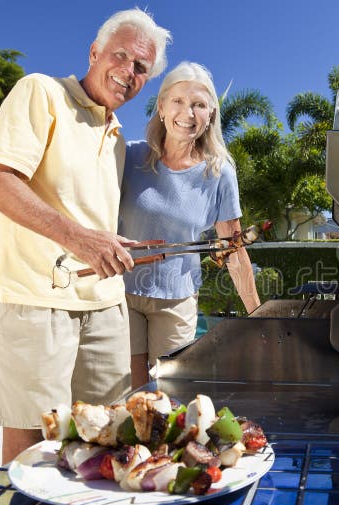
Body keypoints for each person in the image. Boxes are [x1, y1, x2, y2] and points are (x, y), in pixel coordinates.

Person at [0, 8, 171, 464]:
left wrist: (117, 247)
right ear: (94, 51)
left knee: (104, 439)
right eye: (121, 55)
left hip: (104, 307)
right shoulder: (41, 93)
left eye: (141, 67)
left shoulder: (119, 137)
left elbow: (92, 216)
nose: (128, 71)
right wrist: (82, 239)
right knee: (34, 447)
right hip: (33, 300)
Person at [119, 61, 260, 389]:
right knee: (132, 399)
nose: (188, 112)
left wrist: (258, 316)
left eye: (198, 104)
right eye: (179, 101)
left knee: (169, 398)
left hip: (177, 299)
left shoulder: (219, 172)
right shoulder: (129, 157)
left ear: (211, 113)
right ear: (162, 107)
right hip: (120, 295)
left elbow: (234, 250)